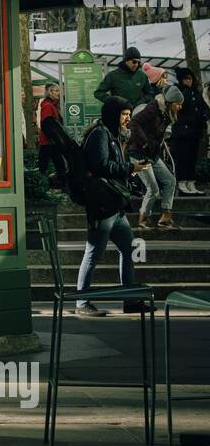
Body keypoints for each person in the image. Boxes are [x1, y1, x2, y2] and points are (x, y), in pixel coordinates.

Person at [75, 98, 148, 316]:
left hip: (115, 206)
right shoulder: (100, 134)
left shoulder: (112, 135)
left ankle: (130, 300)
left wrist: (130, 170)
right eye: (124, 114)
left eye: (128, 113)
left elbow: (111, 167)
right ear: (112, 114)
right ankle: (82, 303)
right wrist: (129, 167)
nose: (127, 118)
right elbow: (101, 166)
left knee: (130, 249)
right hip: (102, 206)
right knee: (92, 254)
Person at [129, 84, 184, 230]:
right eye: (178, 104)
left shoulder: (166, 113)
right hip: (140, 155)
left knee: (170, 181)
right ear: (171, 102)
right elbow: (133, 122)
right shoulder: (153, 109)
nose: (180, 107)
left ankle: (165, 218)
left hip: (152, 155)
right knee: (153, 188)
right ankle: (143, 218)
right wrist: (145, 143)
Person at [172, 67, 208, 195]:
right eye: (186, 79)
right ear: (181, 80)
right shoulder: (178, 92)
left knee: (192, 158)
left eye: (190, 79)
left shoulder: (195, 93)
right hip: (182, 132)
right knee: (183, 158)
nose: (189, 81)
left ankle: (191, 183)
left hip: (194, 132)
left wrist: (203, 117)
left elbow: (204, 108)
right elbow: (176, 111)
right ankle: (182, 183)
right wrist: (189, 120)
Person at [37, 83, 67, 186]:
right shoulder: (48, 106)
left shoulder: (50, 105)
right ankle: (42, 186)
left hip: (49, 141)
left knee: (55, 165)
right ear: (50, 92)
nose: (59, 93)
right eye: (56, 91)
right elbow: (46, 124)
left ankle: (44, 185)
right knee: (52, 165)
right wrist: (56, 138)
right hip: (49, 142)